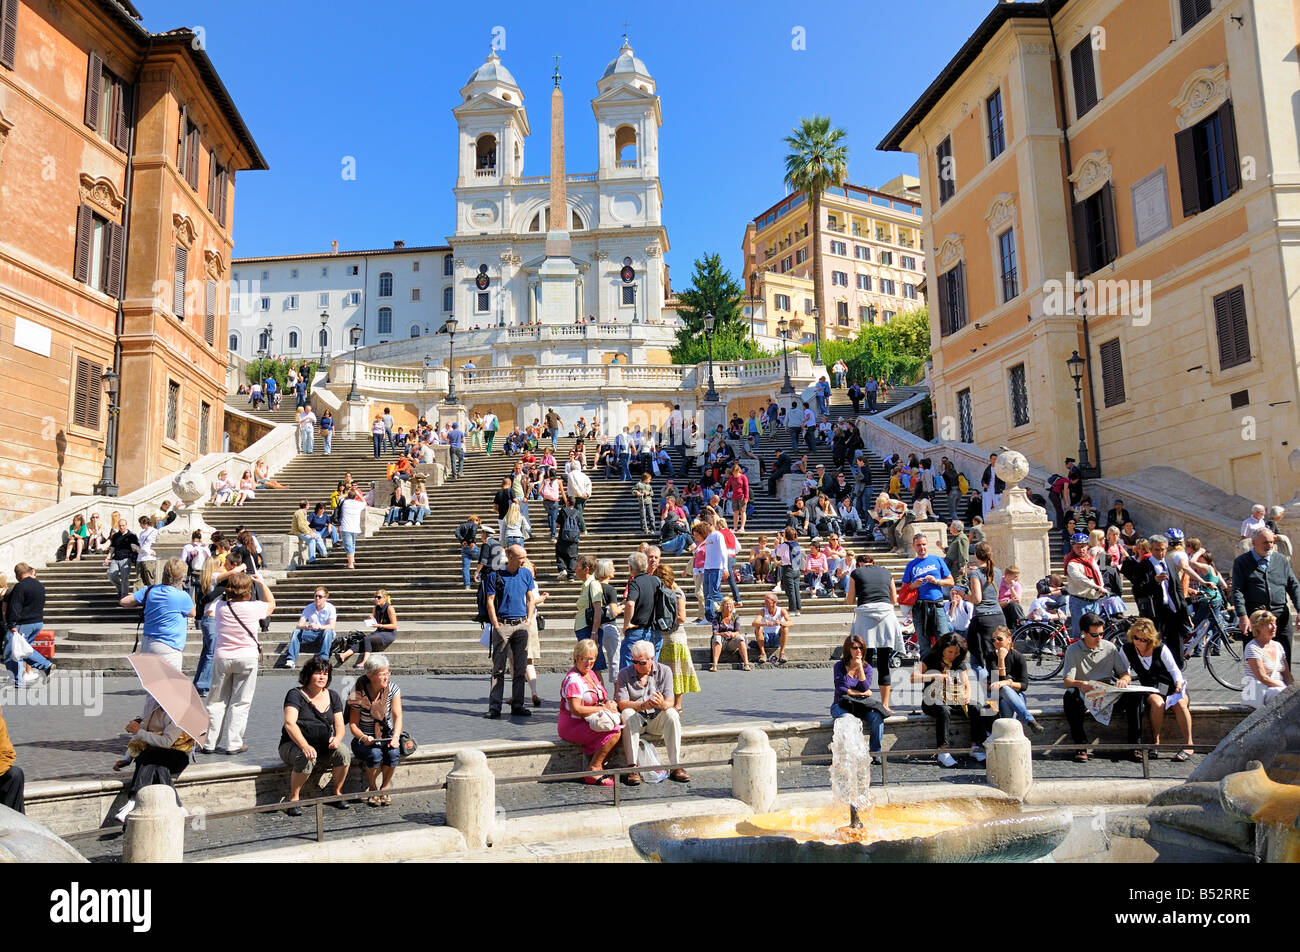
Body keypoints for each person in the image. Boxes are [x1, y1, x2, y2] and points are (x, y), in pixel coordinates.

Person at [205, 572, 275, 755]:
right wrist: (261, 583)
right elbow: (272, 604)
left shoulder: (220, 606)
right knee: (241, 702)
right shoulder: (254, 608)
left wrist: (225, 593)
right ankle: (233, 743)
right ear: (248, 591)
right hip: (247, 656)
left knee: (216, 701)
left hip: (223, 657)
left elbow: (208, 611)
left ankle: (209, 742)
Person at [1061, 612, 1142, 763]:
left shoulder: (1110, 648)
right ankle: (1080, 745)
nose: (1099, 638)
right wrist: (1081, 684)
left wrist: (1124, 680)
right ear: (1084, 633)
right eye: (1094, 635)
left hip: (1107, 691)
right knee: (1070, 695)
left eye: (1101, 634)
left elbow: (1125, 673)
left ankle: (1135, 745)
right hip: (1085, 692)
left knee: (1135, 696)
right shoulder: (1073, 650)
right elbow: (1067, 681)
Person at [278, 658, 352, 815]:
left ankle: (337, 793)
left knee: (344, 753)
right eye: (317, 673)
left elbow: (339, 725)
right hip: (293, 745)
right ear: (308, 675)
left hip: (324, 745)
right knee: (306, 756)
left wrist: (337, 738)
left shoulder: (333, 696)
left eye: (325, 674)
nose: (322, 677)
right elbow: (289, 723)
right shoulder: (295, 694)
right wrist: (304, 746)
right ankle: (294, 799)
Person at [616, 639, 690, 785]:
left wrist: (662, 704)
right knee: (627, 713)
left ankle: (675, 766)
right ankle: (632, 767)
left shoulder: (665, 671)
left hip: (656, 719)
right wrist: (642, 705)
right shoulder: (624, 674)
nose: (637, 666)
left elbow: (670, 702)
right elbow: (622, 703)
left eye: (642, 662)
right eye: (634, 661)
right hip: (636, 719)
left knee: (673, 713)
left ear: (652, 659)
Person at [1121, 617, 1194, 761]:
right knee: (1157, 703)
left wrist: (1179, 685)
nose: (1139, 642)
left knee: (1180, 703)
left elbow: (1174, 670)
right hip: (1150, 687)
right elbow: (1123, 669)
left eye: (1144, 640)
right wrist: (1125, 678)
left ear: (1150, 639)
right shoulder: (1127, 649)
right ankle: (1156, 741)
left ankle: (1189, 744)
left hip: (1171, 686)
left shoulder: (1160, 648)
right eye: (1136, 638)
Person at [912, 632, 986, 767]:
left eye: (956, 653)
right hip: (932, 700)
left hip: (954, 698)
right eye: (950, 652)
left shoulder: (958, 661)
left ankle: (975, 746)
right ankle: (943, 751)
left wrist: (967, 696)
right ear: (942, 648)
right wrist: (935, 676)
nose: (952, 656)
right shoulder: (930, 658)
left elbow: (966, 683)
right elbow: (913, 677)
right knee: (943, 710)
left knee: (977, 707)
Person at [558, 640, 622, 785]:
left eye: (591, 658)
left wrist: (608, 703)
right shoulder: (573, 680)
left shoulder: (591, 674)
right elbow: (576, 709)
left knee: (623, 724)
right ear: (576, 658)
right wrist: (603, 709)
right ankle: (594, 768)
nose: (588, 662)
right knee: (615, 731)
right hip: (573, 724)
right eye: (584, 659)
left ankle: (600, 765)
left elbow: (600, 698)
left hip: (590, 719)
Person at [1232, 527, 1299, 665]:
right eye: (1265, 543)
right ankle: (1259, 684)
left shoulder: (1281, 560)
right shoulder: (1242, 562)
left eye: (1271, 542)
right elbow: (1237, 590)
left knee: (1284, 657)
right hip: (1255, 617)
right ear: (1254, 543)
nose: (1269, 546)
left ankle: (1283, 685)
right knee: (1257, 659)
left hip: (1280, 615)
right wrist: (1242, 616)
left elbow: (1293, 586)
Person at [485, 544, 537, 719]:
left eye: (525, 557)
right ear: (509, 556)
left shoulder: (526, 574)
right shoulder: (495, 575)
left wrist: (529, 620)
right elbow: (490, 600)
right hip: (503, 624)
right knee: (498, 668)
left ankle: (518, 704)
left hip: (521, 623)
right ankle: (494, 707)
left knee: (520, 668)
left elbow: (530, 598)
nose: (524, 561)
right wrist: (496, 624)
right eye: (521, 557)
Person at [347, 655, 403, 806]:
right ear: (370, 675)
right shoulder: (356, 692)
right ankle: (373, 789)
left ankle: (384, 788)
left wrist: (396, 736)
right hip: (364, 737)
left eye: (388, 672)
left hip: (386, 735)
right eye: (382, 673)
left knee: (393, 753)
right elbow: (353, 724)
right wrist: (364, 737)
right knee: (375, 754)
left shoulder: (393, 689)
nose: (387, 676)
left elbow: (398, 716)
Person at [121, 558, 194, 671]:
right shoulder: (182, 596)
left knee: (153, 681)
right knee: (171, 684)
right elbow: (192, 613)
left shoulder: (149, 590)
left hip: (148, 642)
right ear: (181, 578)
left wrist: (143, 602)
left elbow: (124, 601)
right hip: (169, 645)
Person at [831, 634, 886, 759]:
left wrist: (860, 667)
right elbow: (841, 689)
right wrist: (861, 693)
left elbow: (864, 686)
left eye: (861, 648)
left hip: (860, 706)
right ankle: (851, 755)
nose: (858, 651)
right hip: (841, 705)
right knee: (848, 719)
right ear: (848, 650)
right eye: (855, 648)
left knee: (877, 717)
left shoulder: (868, 669)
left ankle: (875, 753)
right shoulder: (839, 666)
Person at [901, 532, 954, 657]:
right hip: (919, 607)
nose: (922, 547)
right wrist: (914, 585)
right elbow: (904, 588)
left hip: (937, 606)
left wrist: (937, 581)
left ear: (927, 544)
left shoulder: (937, 560)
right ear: (914, 546)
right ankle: (927, 674)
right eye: (918, 545)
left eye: (924, 544)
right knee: (924, 645)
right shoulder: (911, 565)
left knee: (944, 641)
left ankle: (947, 673)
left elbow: (951, 581)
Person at [652, 562, 696, 708]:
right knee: (669, 673)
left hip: (674, 636)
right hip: (665, 636)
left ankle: (677, 705)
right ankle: (670, 704)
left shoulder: (677, 593)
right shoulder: (670, 591)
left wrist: (663, 617)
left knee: (675, 673)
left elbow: (682, 617)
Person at [4, 564, 54, 689]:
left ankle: (16, 681)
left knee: (11, 652)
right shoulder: (39, 585)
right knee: (23, 649)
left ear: (18, 575)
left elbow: (15, 606)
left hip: (23, 623)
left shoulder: (20, 586)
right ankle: (45, 665)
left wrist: (11, 624)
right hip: (37, 622)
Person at [987, 625, 1044, 734]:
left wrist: (1007, 683)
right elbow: (997, 680)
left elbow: (1024, 685)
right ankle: (1030, 721)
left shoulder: (1019, 657)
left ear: (1009, 639)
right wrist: (1001, 659)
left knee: (1005, 700)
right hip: (995, 696)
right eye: (993, 640)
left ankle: (1007, 735)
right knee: (1004, 690)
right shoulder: (990, 657)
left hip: (1016, 696)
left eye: (999, 639)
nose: (996, 642)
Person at [1241, 609, 1294, 707]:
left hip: (1279, 689)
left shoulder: (1278, 646)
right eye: (1270, 624)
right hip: (1262, 690)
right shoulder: (1252, 647)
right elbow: (1262, 678)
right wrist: (1285, 689)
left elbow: (1287, 675)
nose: (1274, 627)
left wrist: (1293, 690)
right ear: (1259, 627)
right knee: (1280, 694)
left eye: (1275, 623)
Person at [337, 589, 398, 669]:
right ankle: (344, 655)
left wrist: (380, 625)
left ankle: (364, 662)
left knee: (367, 639)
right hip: (379, 632)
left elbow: (394, 625)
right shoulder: (376, 607)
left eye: (379, 597)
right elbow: (376, 621)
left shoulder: (389, 608)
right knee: (363, 640)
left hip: (388, 634)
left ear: (385, 598)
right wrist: (372, 619)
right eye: (375, 597)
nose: (376, 599)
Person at [621, 551, 662, 669]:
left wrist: (626, 624)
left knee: (629, 670)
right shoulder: (656, 581)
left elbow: (630, 604)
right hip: (654, 630)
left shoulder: (635, 582)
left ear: (630, 567)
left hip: (637, 630)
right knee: (651, 669)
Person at [280, 588, 337, 669]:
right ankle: (291, 660)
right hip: (312, 633)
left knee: (328, 631)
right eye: (315, 596)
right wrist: (306, 626)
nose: (317, 598)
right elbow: (299, 625)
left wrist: (319, 627)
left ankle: (323, 659)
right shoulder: (309, 607)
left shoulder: (331, 608)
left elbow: (332, 626)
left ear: (326, 597)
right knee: (296, 632)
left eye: (320, 596)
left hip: (324, 634)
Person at [774, 526, 803, 617]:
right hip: (796, 569)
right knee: (796, 589)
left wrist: (780, 542)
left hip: (788, 568)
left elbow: (778, 554)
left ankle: (792, 609)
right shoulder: (797, 544)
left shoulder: (784, 545)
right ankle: (798, 609)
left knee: (790, 590)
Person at [339, 487, 366, 571]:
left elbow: (340, 497)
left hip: (346, 527)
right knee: (352, 544)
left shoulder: (344, 502)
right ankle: (352, 561)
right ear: (355, 497)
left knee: (348, 546)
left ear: (348, 496)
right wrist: (357, 493)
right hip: (355, 528)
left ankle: (350, 564)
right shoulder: (358, 504)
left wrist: (348, 493)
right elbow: (364, 502)